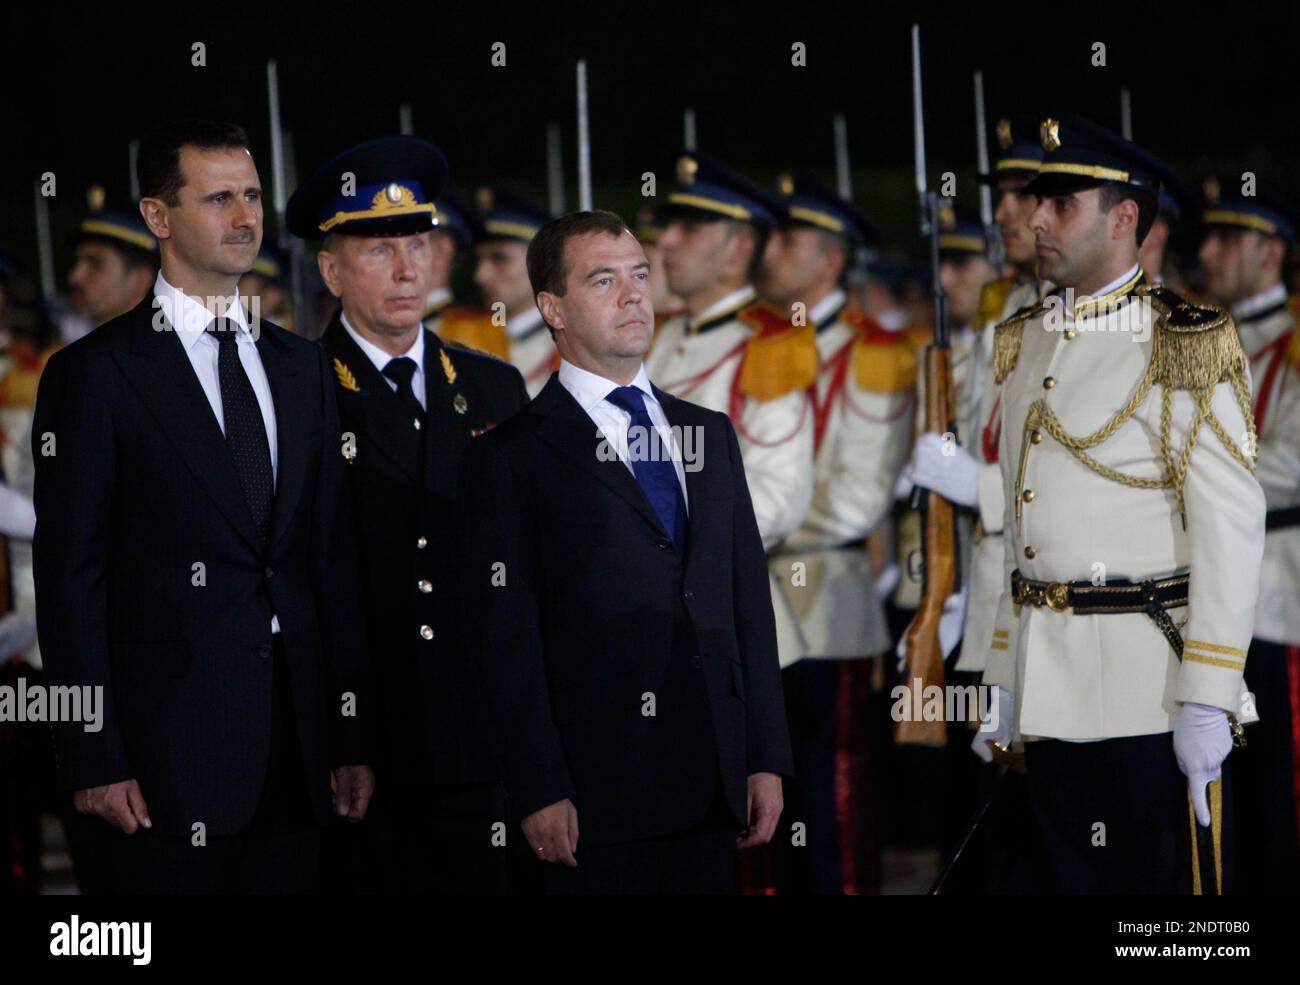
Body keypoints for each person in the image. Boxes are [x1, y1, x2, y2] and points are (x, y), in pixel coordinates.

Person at [31, 118, 374, 893]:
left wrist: (351, 734)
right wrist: (94, 754)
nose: (246, 217)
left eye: (252, 195)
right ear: (158, 216)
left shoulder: (303, 368)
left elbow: (330, 559)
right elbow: (69, 581)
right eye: (219, 198)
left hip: (300, 748)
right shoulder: (96, 376)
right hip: (159, 764)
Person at [460, 210, 794, 893]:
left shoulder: (709, 434)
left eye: (640, 274)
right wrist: (537, 784)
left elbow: (745, 607)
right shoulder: (510, 456)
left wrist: (765, 755)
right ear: (551, 307)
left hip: (709, 783)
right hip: (593, 801)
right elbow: (504, 637)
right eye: (604, 279)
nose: (634, 293)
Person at [979, 114, 1264, 893]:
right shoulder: (1026, 337)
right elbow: (1018, 528)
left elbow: (1231, 532)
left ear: (1125, 218)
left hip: (1151, 696)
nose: (1035, 217)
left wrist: (1210, 693)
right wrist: (1006, 668)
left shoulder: (1182, 338)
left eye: (1061, 202)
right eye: (1037, 199)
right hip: (1050, 693)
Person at [286, 135, 529, 892]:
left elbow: (519, 570)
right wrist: (341, 734)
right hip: (369, 735)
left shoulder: (493, 386)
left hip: (482, 731)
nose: (406, 269)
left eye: (419, 244)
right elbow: (302, 575)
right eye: (379, 250)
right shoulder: (298, 393)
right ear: (330, 269)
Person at [759, 173, 914, 893]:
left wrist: (756, 522)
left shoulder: (875, 349)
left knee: (833, 796)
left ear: (828, 261)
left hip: (826, 596)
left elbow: (860, 496)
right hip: (758, 592)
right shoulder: (756, 336)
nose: (771, 249)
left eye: (790, 239)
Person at [646, 153, 816, 679]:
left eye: (690, 228)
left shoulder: (769, 346)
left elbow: (777, 498)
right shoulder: (657, 334)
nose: (667, 241)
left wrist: (656, 544)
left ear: (740, 248)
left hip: (726, 621)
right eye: (670, 225)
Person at [1198, 180, 1300, 893]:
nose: (1207, 252)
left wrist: (1191, 470)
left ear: (1270, 252)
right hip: (1207, 598)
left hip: (1276, 593)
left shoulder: (1292, 342)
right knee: (1219, 804)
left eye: (1228, 239)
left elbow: (1291, 462)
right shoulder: (1199, 336)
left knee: (1278, 797)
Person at [473, 188, 557, 393]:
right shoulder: (459, 336)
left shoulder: (575, 347)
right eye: (479, 260)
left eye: (499, 258)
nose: (480, 276)